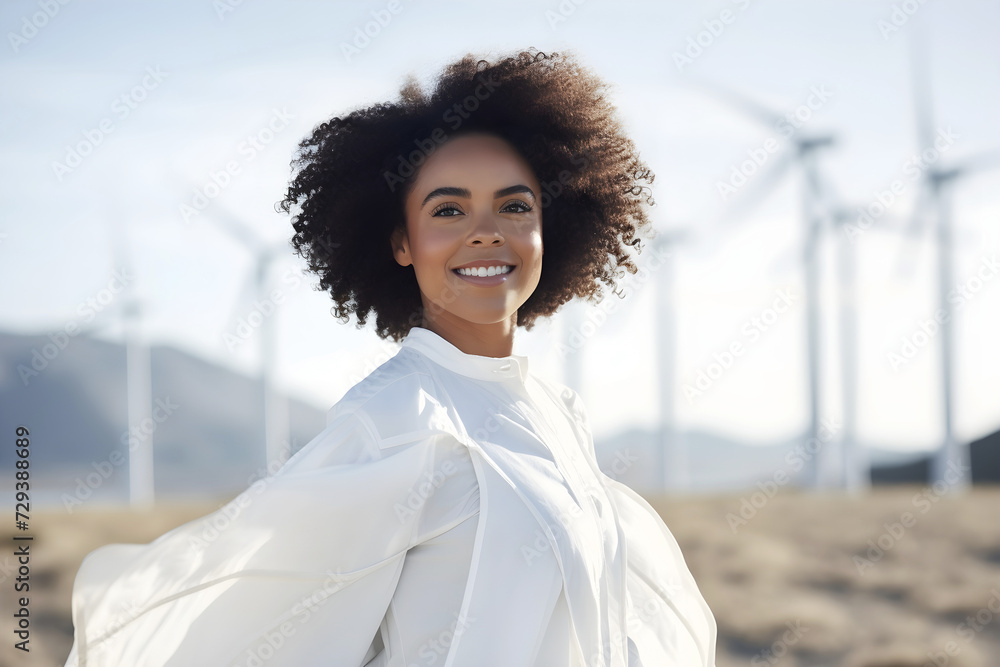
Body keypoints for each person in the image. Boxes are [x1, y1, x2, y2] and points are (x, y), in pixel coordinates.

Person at [63, 47, 717, 666]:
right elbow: (269, 633)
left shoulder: (555, 412)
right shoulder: (392, 420)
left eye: (514, 205)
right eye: (448, 209)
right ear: (402, 243)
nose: (485, 229)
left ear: (552, 225)